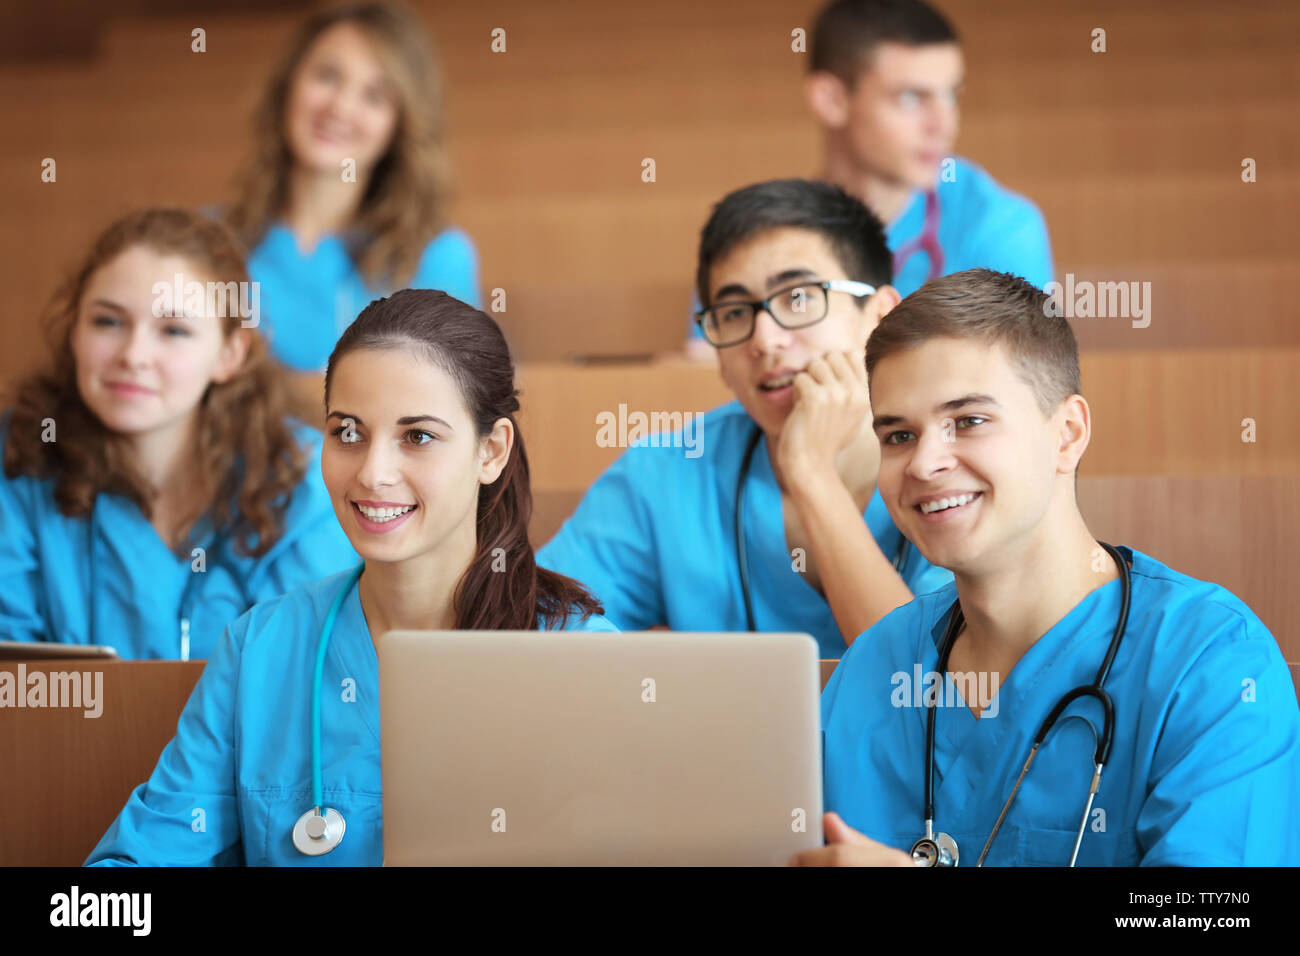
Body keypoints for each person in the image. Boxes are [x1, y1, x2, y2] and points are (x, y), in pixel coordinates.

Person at [85, 290, 615, 866]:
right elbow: (136, 867)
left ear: (491, 451)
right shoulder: (260, 650)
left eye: (418, 437)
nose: (372, 472)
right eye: (347, 432)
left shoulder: (581, 661)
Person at [796, 269, 1300, 866]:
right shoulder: (875, 669)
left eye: (969, 421)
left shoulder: (1211, 663)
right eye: (899, 435)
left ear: (1068, 433)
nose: (925, 463)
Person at [539, 180, 952, 658]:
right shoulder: (667, 472)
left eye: (798, 298)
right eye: (735, 312)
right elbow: (539, 622)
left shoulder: (949, 465)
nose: (764, 339)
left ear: (879, 315)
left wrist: (811, 474)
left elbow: (921, 688)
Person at [0, 209, 358, 660]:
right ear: (73, 331)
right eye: (107, 322)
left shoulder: (305, 483)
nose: (133, 355)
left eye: (173, 330)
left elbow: (308, 683)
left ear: (230, 353)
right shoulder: (20, 459)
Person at [684, 0, 1053, 356]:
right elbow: (711, 374)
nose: (943, 124)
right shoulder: (753, 235)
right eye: (911, 98)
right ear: (831, 100)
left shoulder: (1001, 225)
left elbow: (1021, 392)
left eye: (951, 95)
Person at [223, 1, 479, 375]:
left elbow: (445, 410)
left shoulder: (437, 258)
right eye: (327, 76)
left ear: (400, 125)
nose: (340, 106)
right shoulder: (209, 245)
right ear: (287, 86)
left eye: (374, 96)